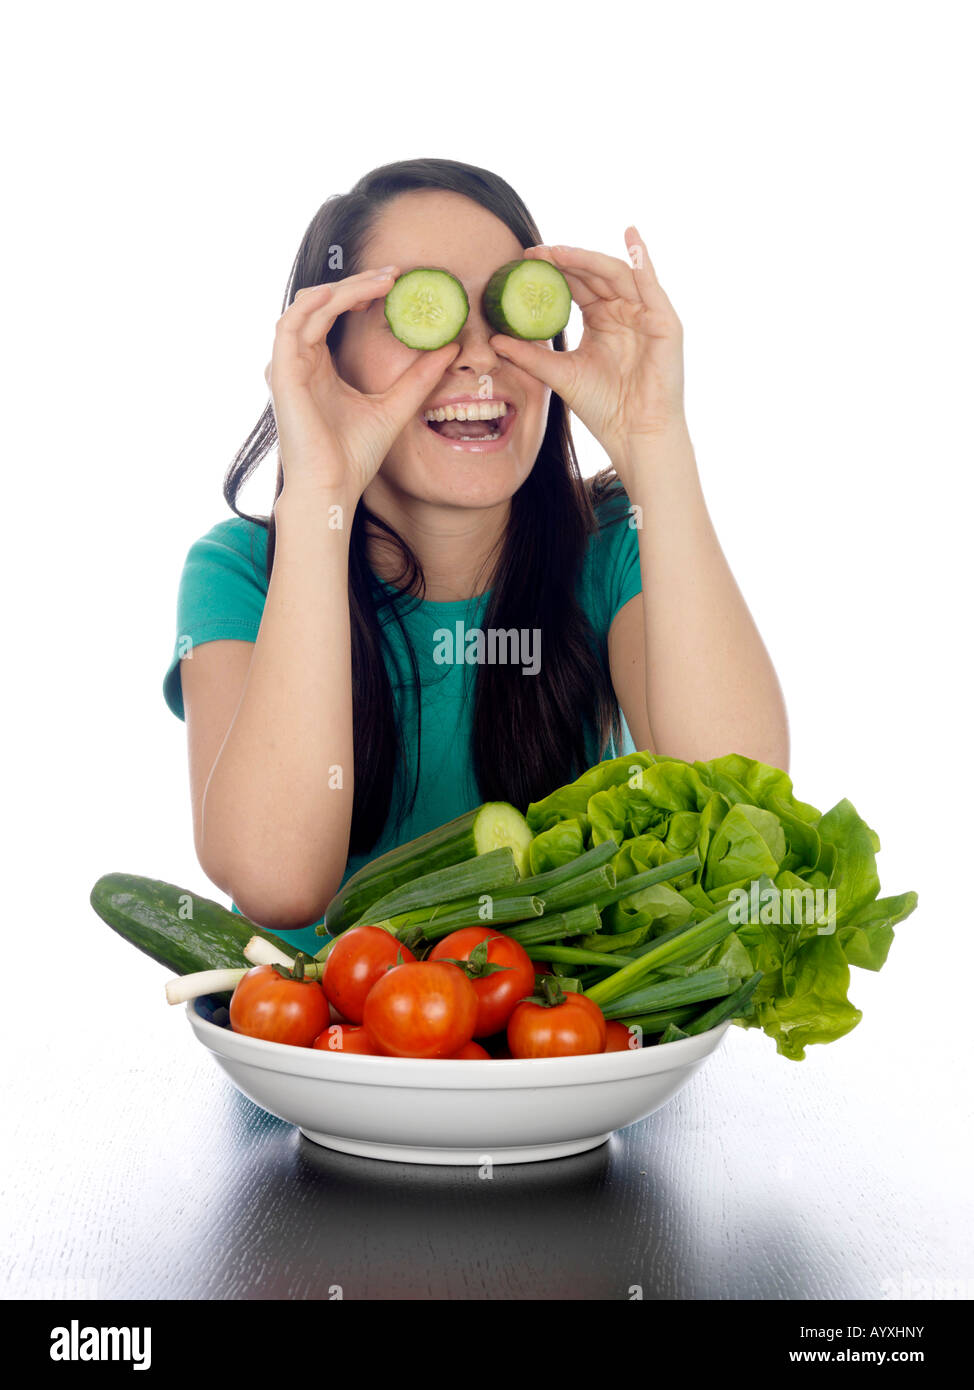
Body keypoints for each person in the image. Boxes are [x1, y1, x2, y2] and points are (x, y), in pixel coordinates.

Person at [162, 158, 789, 957]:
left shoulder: (613, 550)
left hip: (564, 1053)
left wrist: (655, 445)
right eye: (419, 309)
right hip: (332, 1058)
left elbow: (740, 803)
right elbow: (277, 880)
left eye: (508, 308)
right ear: (326, 353)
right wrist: (322, 485)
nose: (478, 355)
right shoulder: (241, 571)